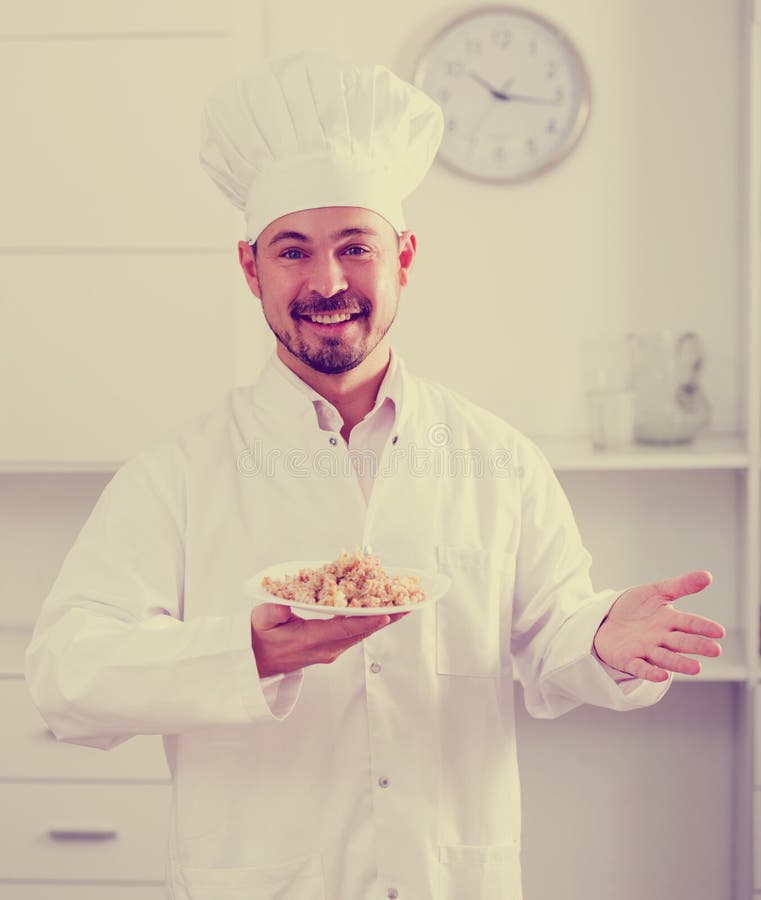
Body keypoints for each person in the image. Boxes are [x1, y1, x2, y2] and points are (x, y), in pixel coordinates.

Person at [25, 53, 725, 900]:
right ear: (251, 269)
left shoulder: (494, 458)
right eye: (293, 251)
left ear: (404, 255)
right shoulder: (175, 473)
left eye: (355, 246)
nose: (327, 282)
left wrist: (604, 640)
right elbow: (66, 676)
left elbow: (552, 636)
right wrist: (242, 650)